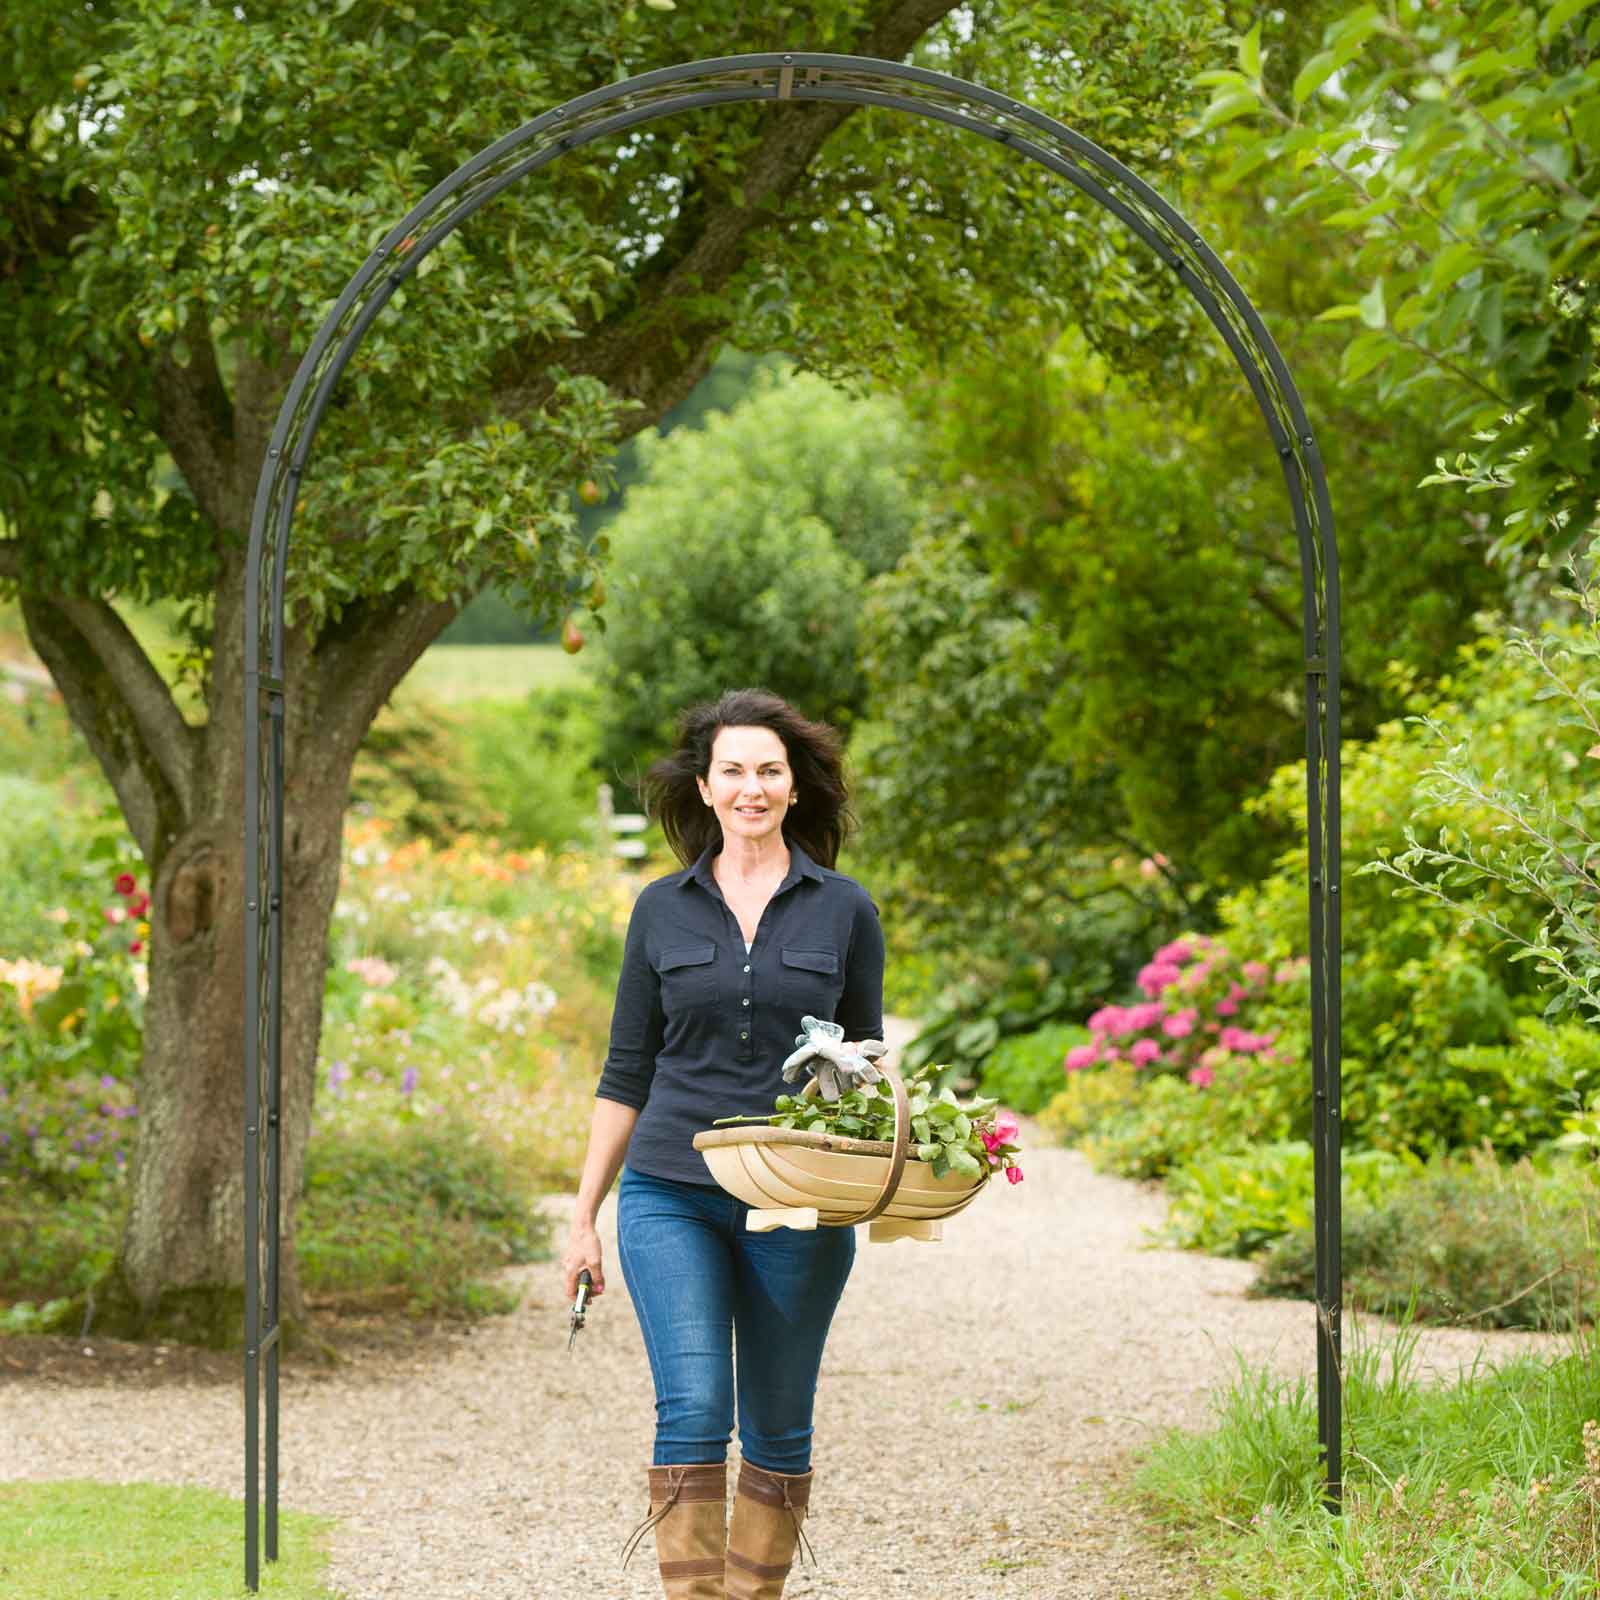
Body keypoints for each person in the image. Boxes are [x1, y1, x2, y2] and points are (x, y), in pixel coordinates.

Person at [560, 687, 885, 1600]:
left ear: (793, 787)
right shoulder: (660, 911)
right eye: (733, 770)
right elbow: (627, 1070)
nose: (752, 787)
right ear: (704, 789)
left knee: (779, 1424)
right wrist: (584, 1216)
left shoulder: (844, 910)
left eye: (769, 771)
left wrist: (890, 1153)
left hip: (798, 1196)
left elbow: (865, 1062)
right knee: (695, 1405)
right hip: (672, 1189)